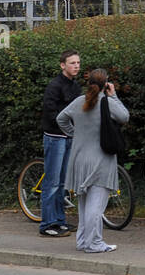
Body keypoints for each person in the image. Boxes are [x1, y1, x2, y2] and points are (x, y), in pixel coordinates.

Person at [57, 69, 129, 254]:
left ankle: (82, 241)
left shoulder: (79, 102)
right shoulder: (107, 102)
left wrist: (75, 134)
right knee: (96, 207)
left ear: (88, 83)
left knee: (84, 205)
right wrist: (113, 97)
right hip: (100, 160)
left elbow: (61, 118)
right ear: (106, 84)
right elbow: (124, 117)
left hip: (79, 159)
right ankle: (94, 243)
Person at [39, 50, 81, 236]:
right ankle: (47, 224)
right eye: (72, 63)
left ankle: (60, 221)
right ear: (62, 65)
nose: (76, 66)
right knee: (53, 182)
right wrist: (64, 127)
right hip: (55, 137)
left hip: (69, 137)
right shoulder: (54, 86)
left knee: (63, 183)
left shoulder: (76, 87)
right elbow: (50, 112)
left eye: (78, 63)